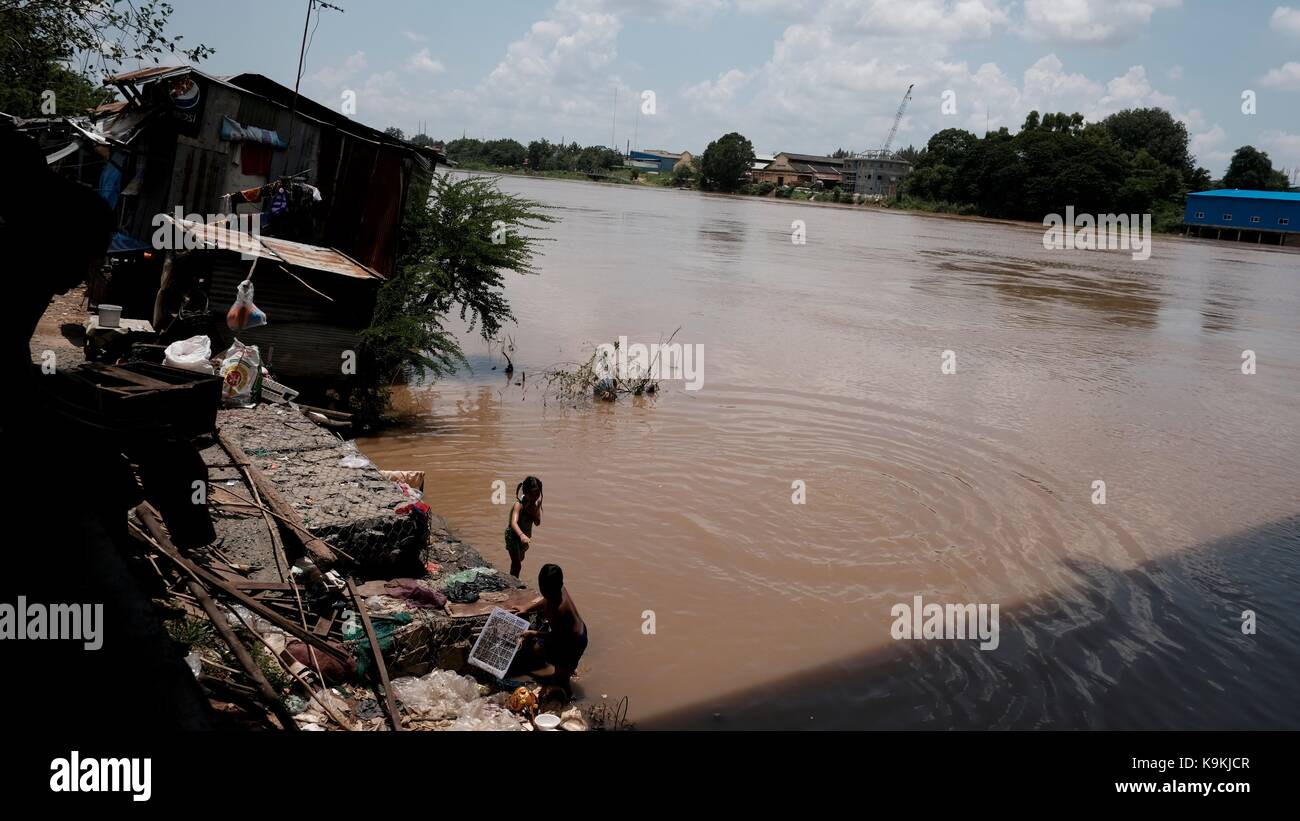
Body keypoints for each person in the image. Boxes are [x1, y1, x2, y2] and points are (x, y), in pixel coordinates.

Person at [512, 563, 587, 693]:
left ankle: (568, 694)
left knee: (561, 681)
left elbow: (558, 637)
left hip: (574, 640)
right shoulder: (558, 590)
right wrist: (527, 609)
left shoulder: (560, 610)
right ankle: (567, 668)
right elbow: (546, 600)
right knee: (539, 650)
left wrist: (533, 633)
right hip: (568, 633)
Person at [505, 476, 543, 578]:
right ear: (525, 493)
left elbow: (537, 522)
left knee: (520, 559)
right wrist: (521, 535)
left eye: (537, 493)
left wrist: (536, 510)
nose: (535, 496)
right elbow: (513, 523)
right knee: (517, 564)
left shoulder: (535, 504)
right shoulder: (519, 505)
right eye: (532, 494)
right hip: (513, 536)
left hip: (525, 537)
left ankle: (512, 578)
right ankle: (514, 583)